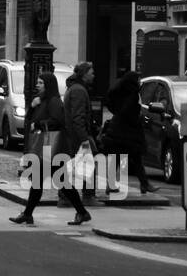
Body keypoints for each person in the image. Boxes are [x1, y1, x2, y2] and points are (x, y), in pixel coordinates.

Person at [9, 71, 90, 227]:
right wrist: (32, 107)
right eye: (38, 82)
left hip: (52, 148)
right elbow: (29, 120)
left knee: (53, 182)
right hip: (46, 149)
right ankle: (81, 212)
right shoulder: (41, 101)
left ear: (48, 85)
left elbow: (57, 121)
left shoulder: (54, 101)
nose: (37, 85)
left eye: (40, 83)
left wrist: (39, 124)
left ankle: (28, 214)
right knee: (53, 182)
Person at [99, 71, 156, 195]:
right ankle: (144, 184)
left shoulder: (121, 92)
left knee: (124, 158)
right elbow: (128, 111)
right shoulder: (133, 94)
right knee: (134, 158)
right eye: (138, 79)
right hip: (128, 132)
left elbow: (116, 107)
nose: (140, 82)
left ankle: (142, 184)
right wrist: (137, 118)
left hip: (119, 130)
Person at [61, 62, 98, 206]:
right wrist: (84, 139)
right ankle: (86, 197)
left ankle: (67, 197)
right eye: (91, 72)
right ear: (84, 74)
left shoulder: (75, 88)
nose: (93, 75)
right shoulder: (79, 91)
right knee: (86, 165)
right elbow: (78, 117)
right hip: (77, 136)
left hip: (74, 135)